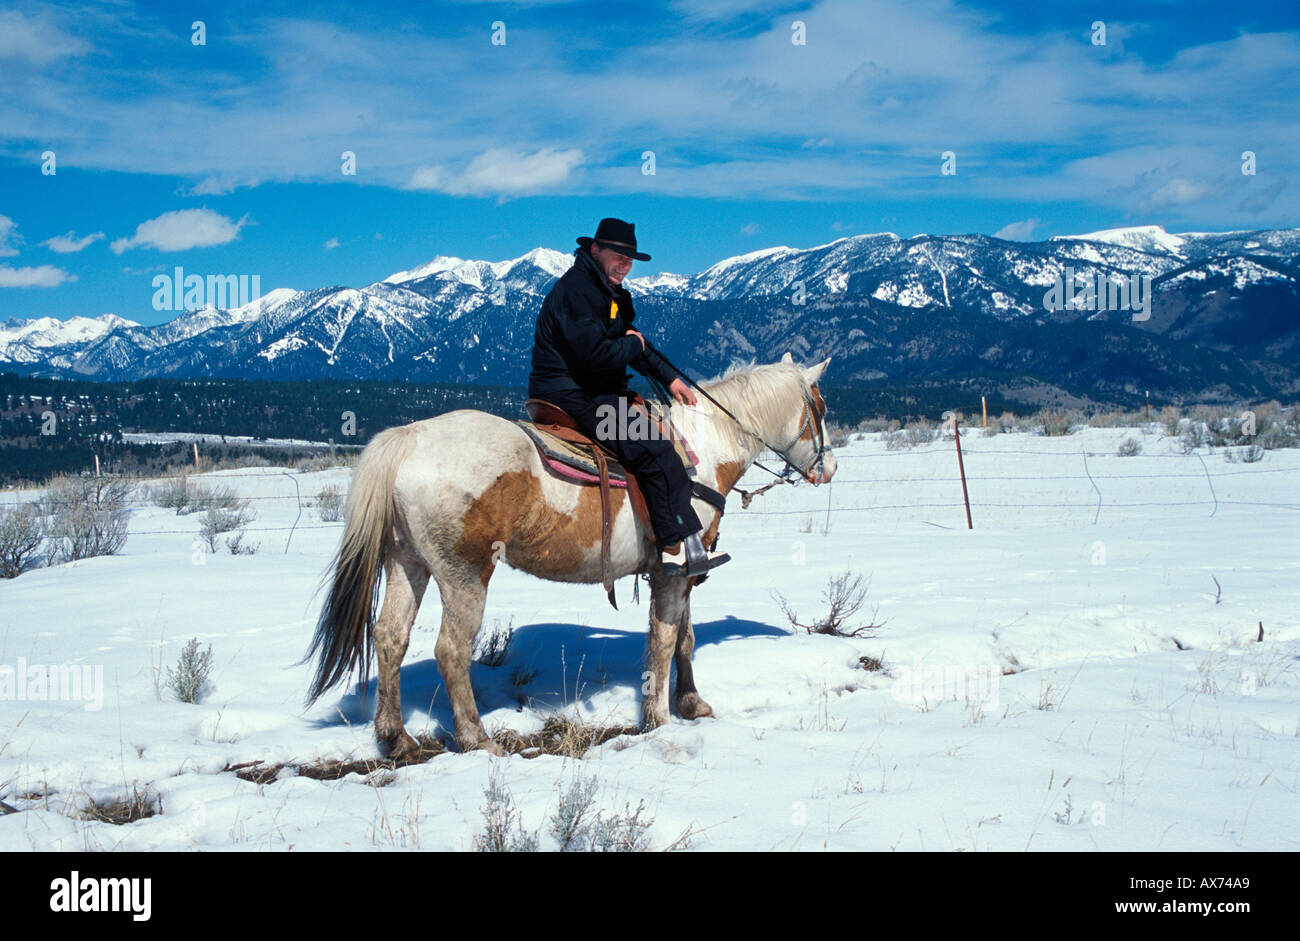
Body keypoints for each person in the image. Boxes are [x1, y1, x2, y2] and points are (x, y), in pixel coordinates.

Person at [528, 217, 729, 578]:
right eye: (618, 255)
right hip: (577, 394)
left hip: (588, 390)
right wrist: (632, 343)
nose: (625, 264)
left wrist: (669, 379)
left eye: (630, 259)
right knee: (656, 449)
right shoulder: (579, 290)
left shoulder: (605, 290)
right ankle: (672, 547)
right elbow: (596, 355)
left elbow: (631, 343)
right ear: (595, 250)